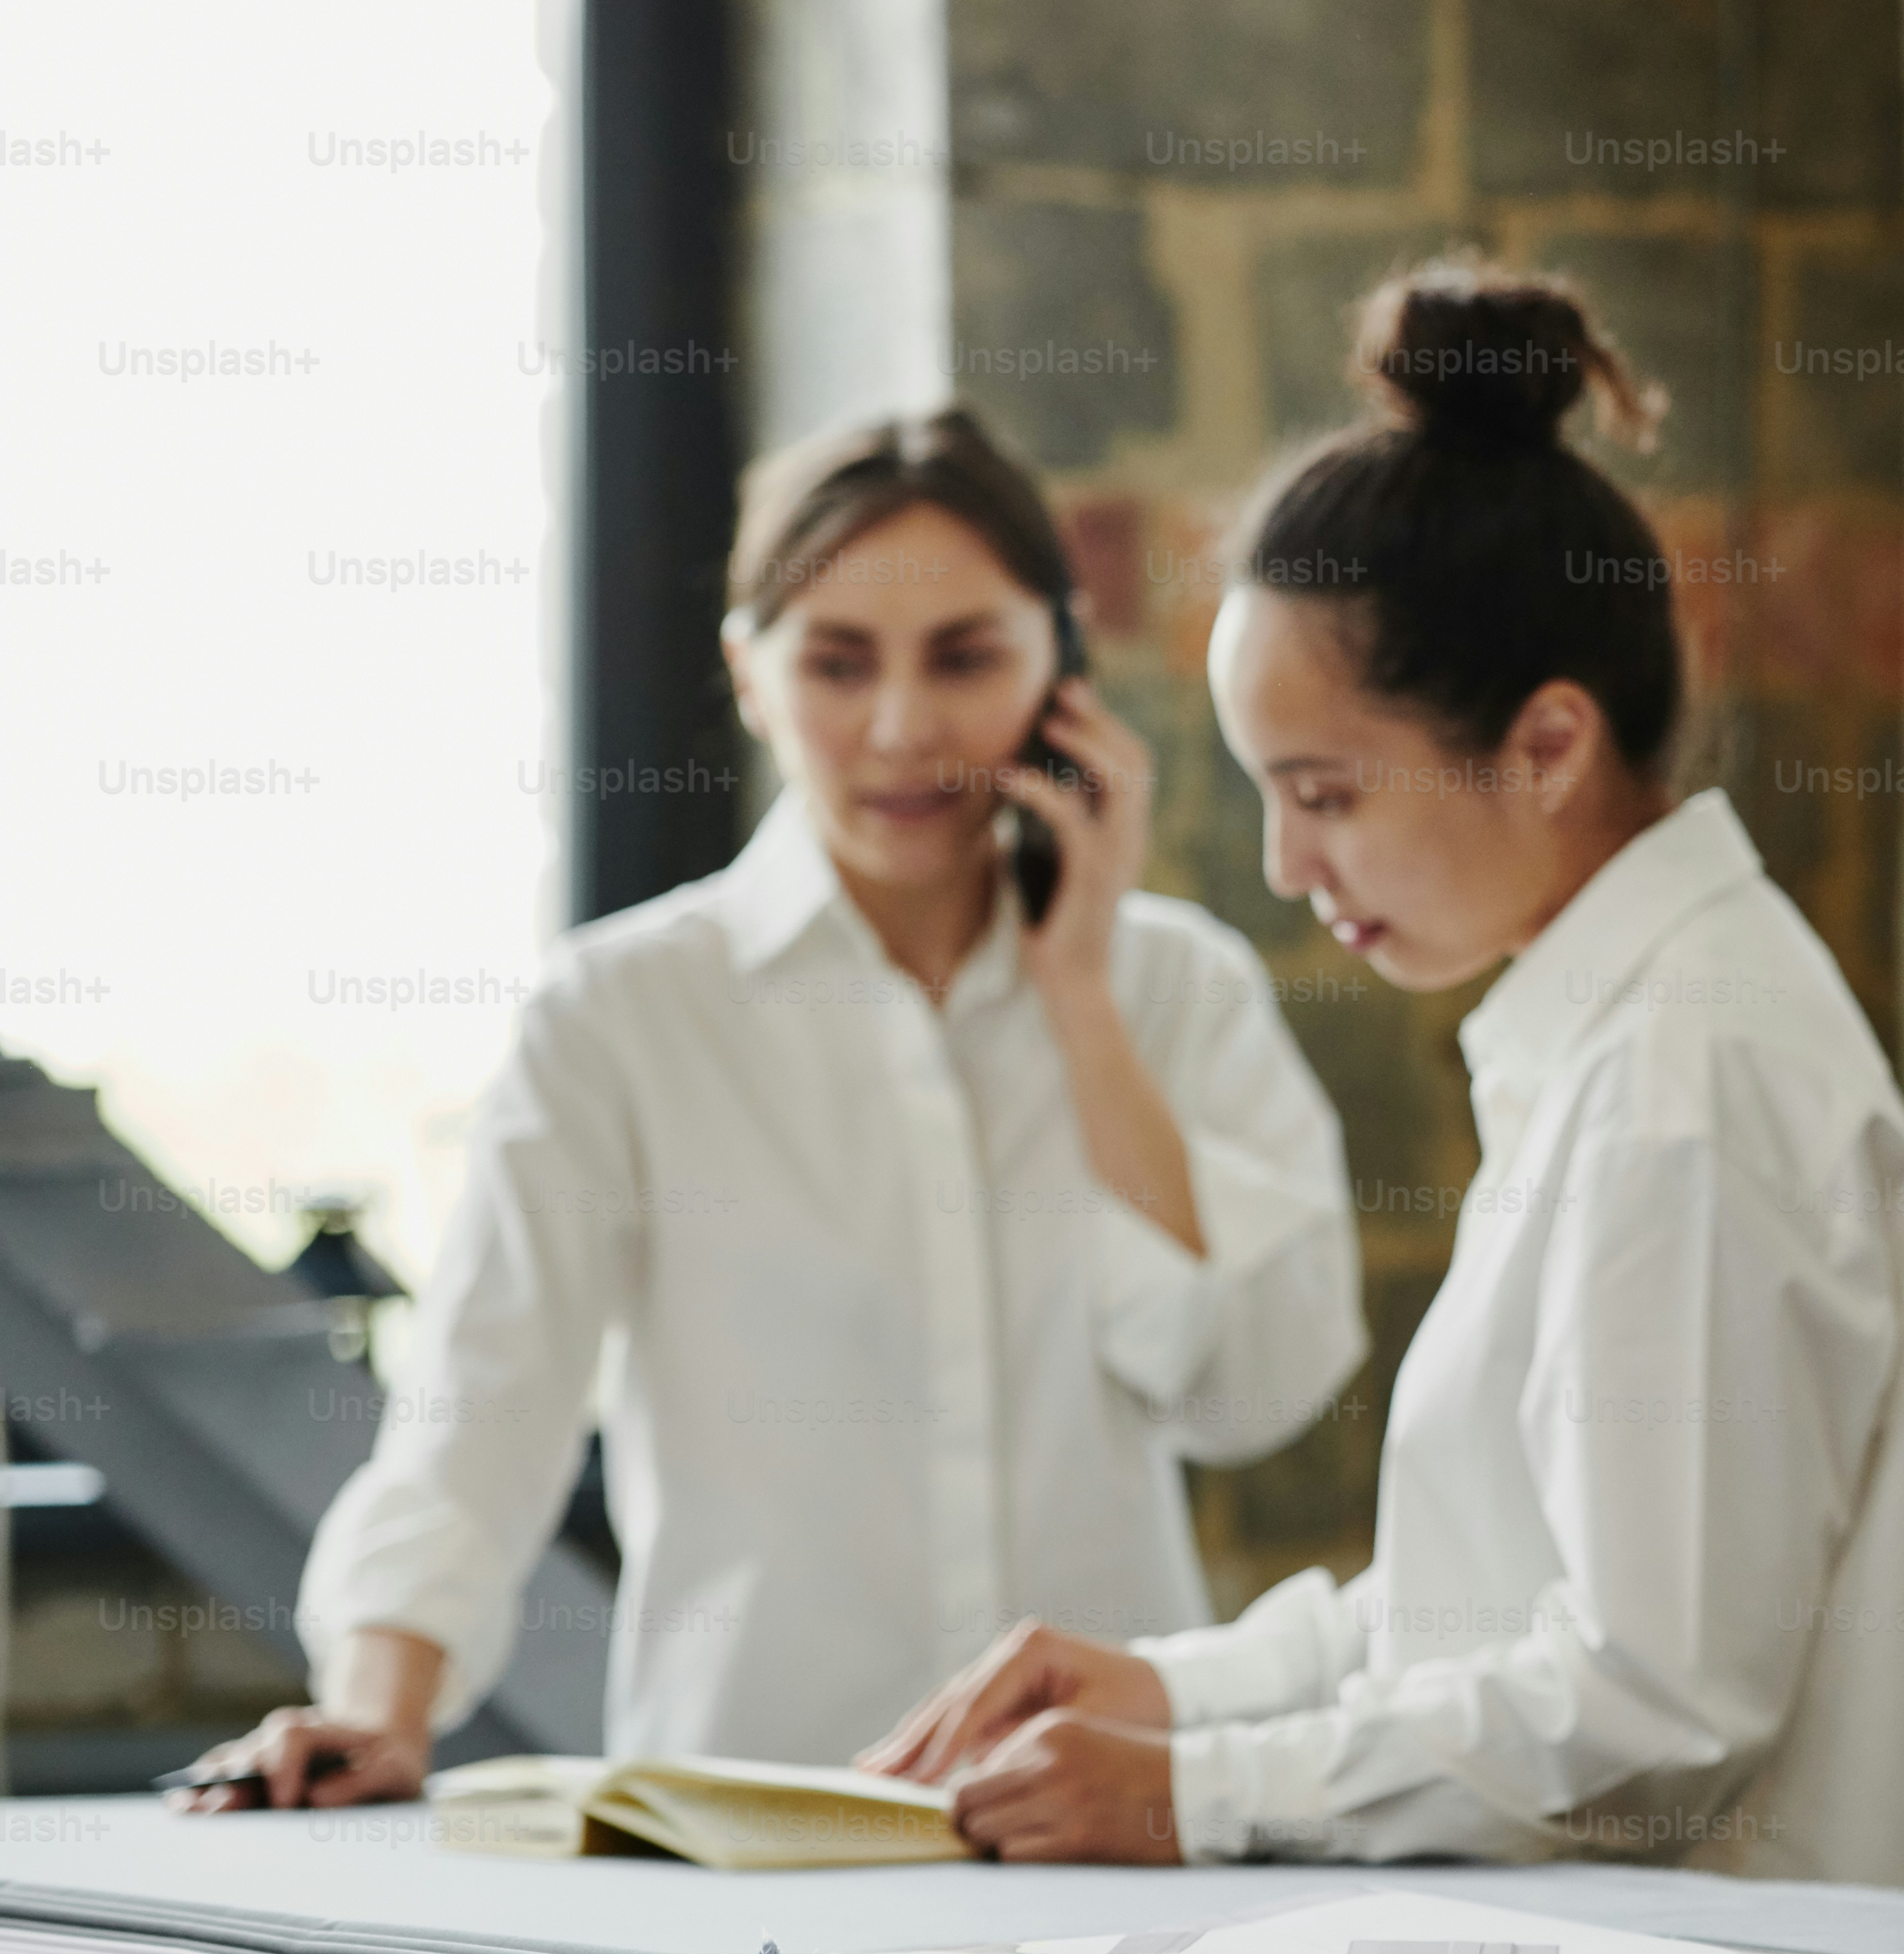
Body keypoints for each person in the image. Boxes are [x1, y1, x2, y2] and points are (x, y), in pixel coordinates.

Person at [865, 261, 1904, 1893]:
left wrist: (1197, 1791)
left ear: (1546, 745)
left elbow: (1651, 1703)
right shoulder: (1618, 1037)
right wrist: (1176, 1690)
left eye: (1322, 792)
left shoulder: (1692, 1081)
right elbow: (1492, 1609)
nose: (1285, 862)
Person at [178, 411, 1364, 1806]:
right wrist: (377, 1710)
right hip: (736, 1831)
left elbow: (1257, 1387)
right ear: (749, 673)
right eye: (838, 663)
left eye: (967, 657)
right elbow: (479, 1414)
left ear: (1063, 662)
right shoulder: (616, 1016)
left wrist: (1082, 1002)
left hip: (1112, 1821)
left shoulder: (1183, 992)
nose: (903, 727)